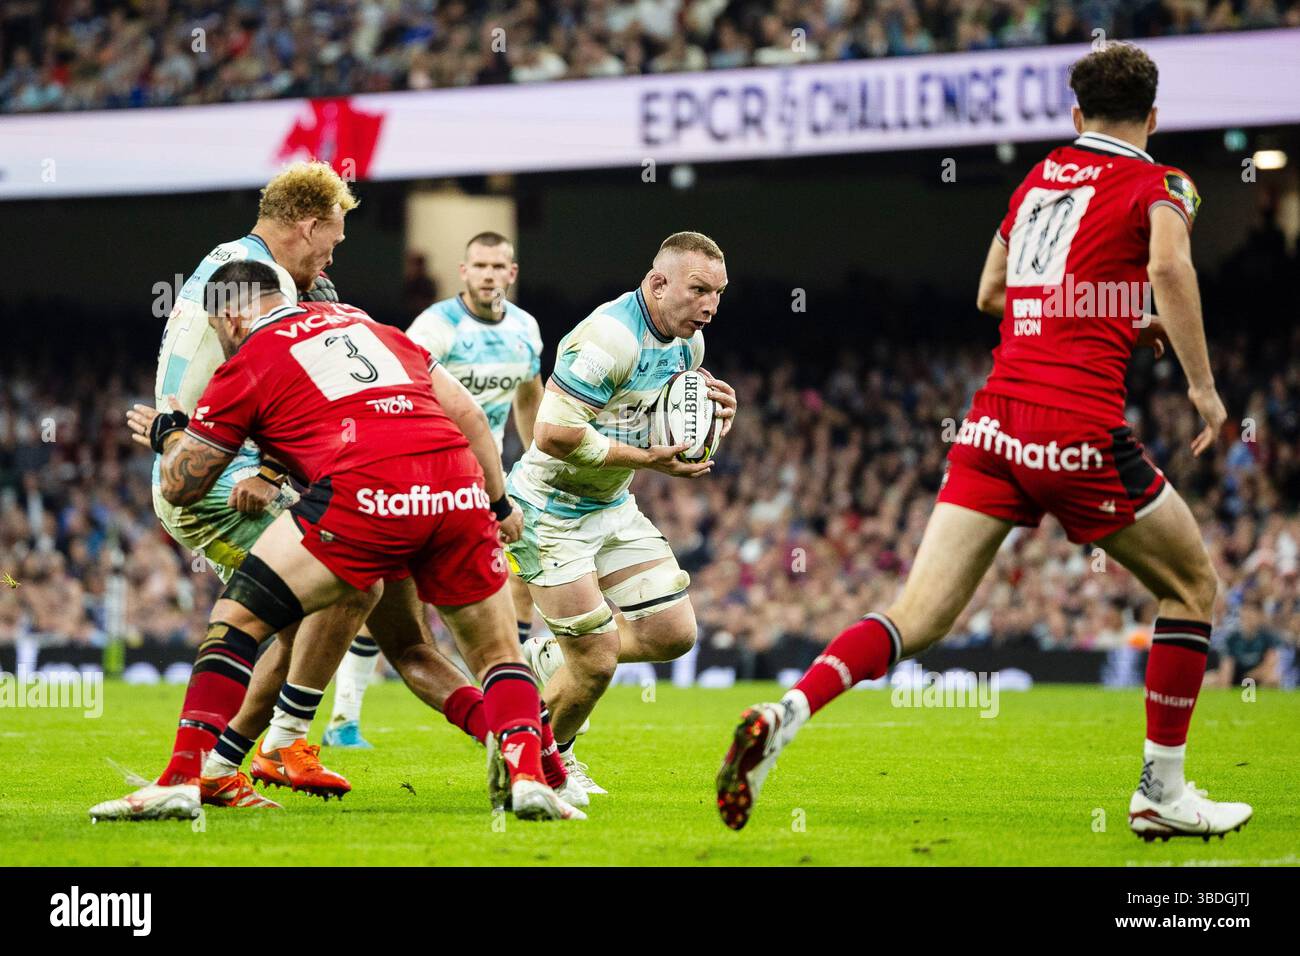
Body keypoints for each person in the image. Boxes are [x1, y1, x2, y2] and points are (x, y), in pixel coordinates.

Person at [716, 43, 1252, 842]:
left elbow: (990, 292)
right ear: (1153, 117)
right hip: (1076, 426)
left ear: (1075, 116)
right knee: (1193, 588)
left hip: (993, 425)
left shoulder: (1037, 182)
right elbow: (1172, 269)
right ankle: (1160, 793)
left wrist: (1103, 311)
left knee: (916, 616)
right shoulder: (1161, 182)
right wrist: (1203, 389)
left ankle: (787, 710)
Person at [92, 163, 502, 819]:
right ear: (307, 226)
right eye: (331, 242)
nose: (330, 258)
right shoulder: (269, 288)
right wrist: (260, 468)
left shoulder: (235, 266)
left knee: (398, 629)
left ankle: (518, 744)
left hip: (231, 459)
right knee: (351, 579)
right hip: (219, 480)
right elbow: (290, 380)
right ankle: (262, 750)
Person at [505, 231, 738, 794]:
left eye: (719, 293)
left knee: (672, 632)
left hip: (610, 504)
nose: (710, 305)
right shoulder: (609, 338)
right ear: (658, 283)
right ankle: (542, 770)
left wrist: (713, 416)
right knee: (597, 661)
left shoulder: (690, 345)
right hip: (549, 509)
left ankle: (547, 655)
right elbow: (553, 433)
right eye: (698, 290)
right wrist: (650, 460)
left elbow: (668, 415)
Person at [325, 231, 545, 749]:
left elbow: (529, 397)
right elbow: (403, 391)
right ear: (463, 272)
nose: (490, 274)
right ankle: (344, 718)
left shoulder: (526, 329)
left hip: (485, 478)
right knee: (387, 595)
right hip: (431, 475)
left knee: (516, 584)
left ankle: (515, 708)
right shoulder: (436, 327)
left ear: (512, 274)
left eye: (499, 266)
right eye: (480, 266)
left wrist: (532, 468)